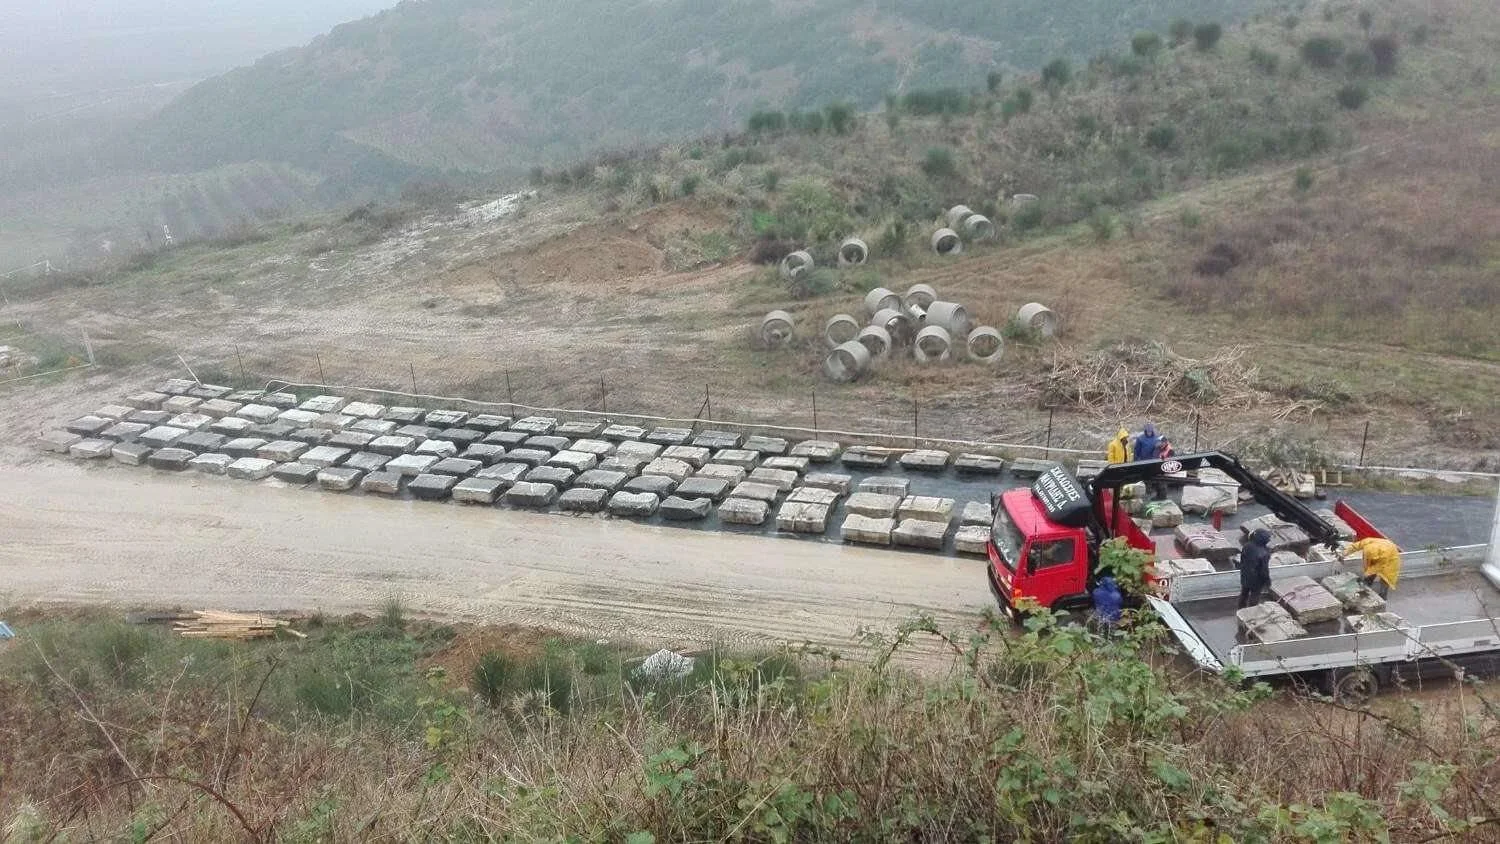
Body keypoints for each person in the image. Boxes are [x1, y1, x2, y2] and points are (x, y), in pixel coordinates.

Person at [1238, 528, 1272, 609]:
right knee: (1255, 595)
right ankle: (1251, 611)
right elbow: (1264, 570)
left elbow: (1242, 560)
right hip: (1257, 579)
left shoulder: (1247, 546)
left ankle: (1240, 609)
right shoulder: (1265, 553)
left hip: (1245, 574)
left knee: (1244, 593)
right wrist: (1267, 581)